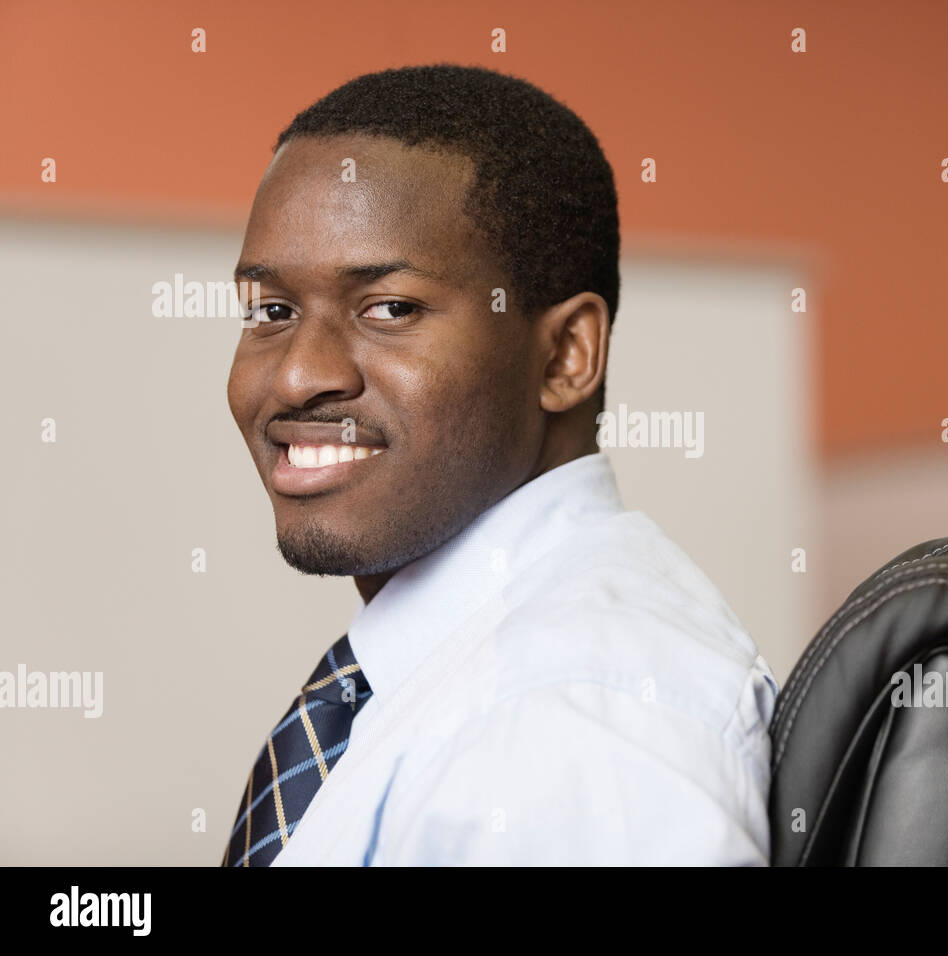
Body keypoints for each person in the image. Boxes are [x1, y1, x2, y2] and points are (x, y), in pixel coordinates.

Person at [221, 64, 778, 866]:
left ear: (565, 356)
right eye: (272, 311)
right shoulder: (459, 671)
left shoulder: (578, 713)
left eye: (389, 309)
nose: (298, 375)